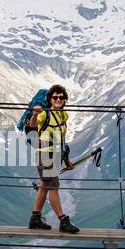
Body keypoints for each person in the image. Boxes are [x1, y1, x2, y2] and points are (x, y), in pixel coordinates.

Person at [27, 84, 80, 233]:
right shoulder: (45, 113)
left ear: (64, 100)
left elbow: (62, 138)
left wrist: (66, 160)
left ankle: (35, 219)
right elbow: (32, 125)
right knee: (53, 187)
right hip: (44, 154)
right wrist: (36, 114)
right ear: (50, 99)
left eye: (61, 97)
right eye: (55, 97)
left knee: (44, 185)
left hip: (56, 154)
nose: (58, 99)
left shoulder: (63, 116)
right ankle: (63, 221)